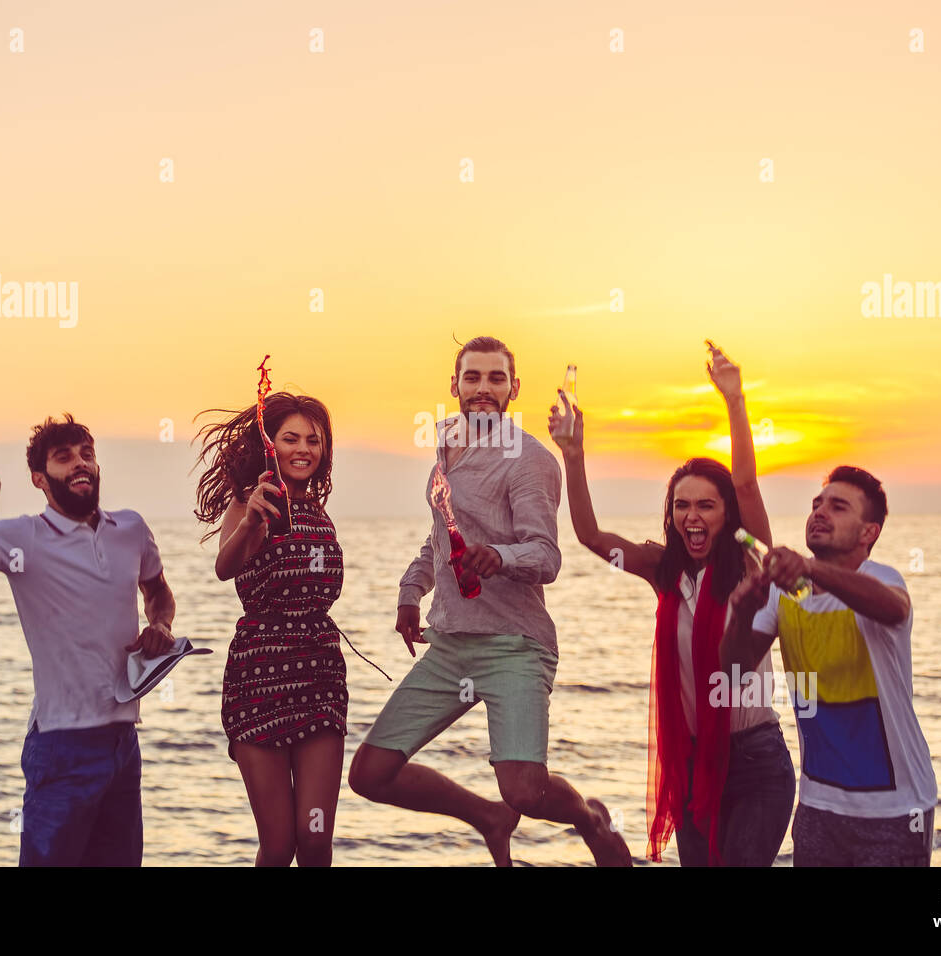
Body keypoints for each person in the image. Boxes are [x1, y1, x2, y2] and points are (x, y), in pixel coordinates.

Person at [348, 335, 632, 866]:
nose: (483, 389)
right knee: (368, 774)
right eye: (472, 378)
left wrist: (498, 557)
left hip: (514, 648)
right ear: (454, 385)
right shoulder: (446, 448)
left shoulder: (530, 460)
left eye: (495, 378)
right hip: (450, 646)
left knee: (524, 790)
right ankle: (486, 816)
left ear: (513, 388)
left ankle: (592, 819)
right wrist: (411, 593)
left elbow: (546, 556)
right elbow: (438, 539)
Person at [549, 342, 795, 866]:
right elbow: (592, 536)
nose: (692, 516)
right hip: (690, 762)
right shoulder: (663, 571)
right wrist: (573, 454)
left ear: (727, 513)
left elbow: (748, 482)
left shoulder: (752, 562)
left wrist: (735, 399)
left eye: (706, 504)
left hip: (754, 762)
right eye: (682, 504)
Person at [0, 414, 177, 866]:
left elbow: (158, 591)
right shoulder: (23, 538)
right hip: (61, 744)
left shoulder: (131, 529)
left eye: (87, 455)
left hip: (122, 742)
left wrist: (161, 627)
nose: (80, 464)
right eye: (64, 457)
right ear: (39, 478)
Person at [721, 466, 939, 866]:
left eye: (838, 507)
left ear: (868, 532)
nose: (819, 512)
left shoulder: (879, 578)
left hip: (896, 808)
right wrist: (740, 613)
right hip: (818, 806)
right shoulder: (784, 595)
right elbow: (734, 672)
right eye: (816, 504)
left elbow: (894, 607)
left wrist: (809, 567)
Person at [195, 392, 372, 867]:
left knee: (314, 842)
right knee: (278, 846)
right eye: (290, 438)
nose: (304, 449)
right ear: (269, 444)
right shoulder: (250, 505)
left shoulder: (319, 512)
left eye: (314, 441)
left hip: (319, 679)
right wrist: (252, 519)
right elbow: (224, 567)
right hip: (259, 680)